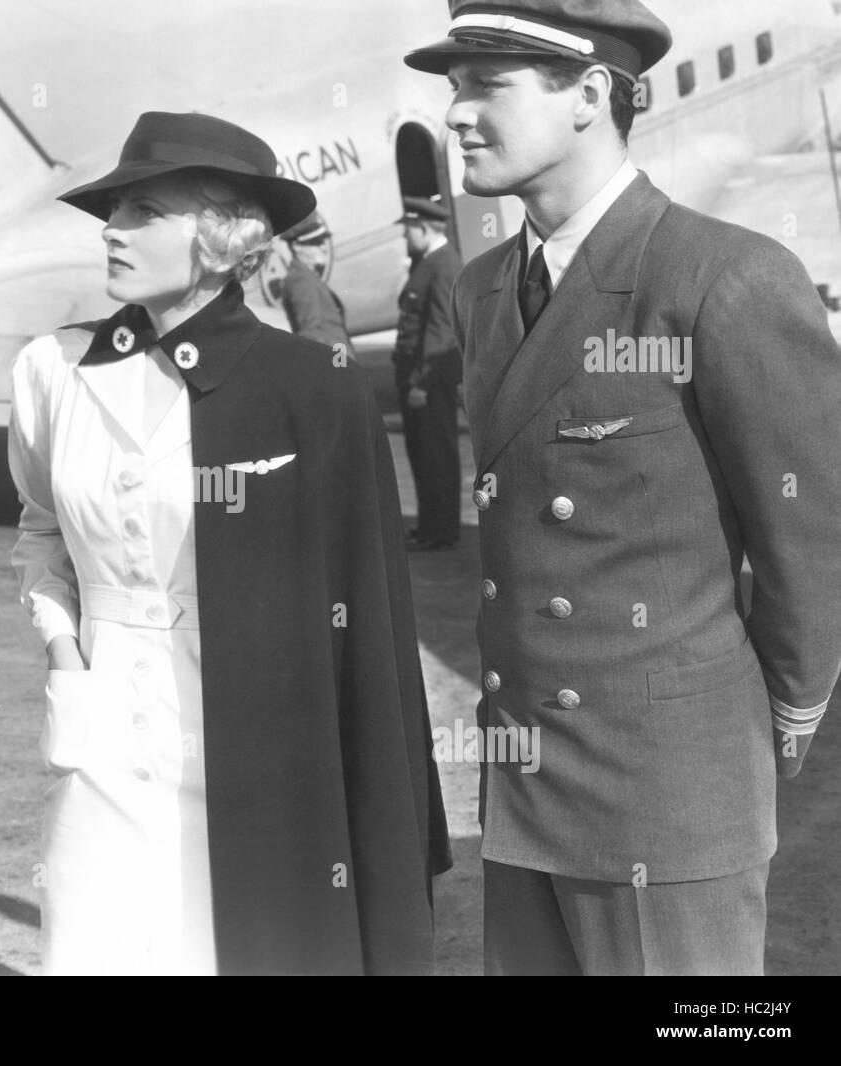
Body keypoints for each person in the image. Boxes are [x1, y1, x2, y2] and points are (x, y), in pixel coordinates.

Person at [405, 0, 841, 975]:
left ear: (588, 94)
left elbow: (809, 536)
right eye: (453, 87)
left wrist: (764, 724)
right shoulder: (479, 292)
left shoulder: (719, 278)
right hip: (526, 784)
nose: (456, 115)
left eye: (487, 84)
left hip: (667, 793)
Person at [8, 111, 451, 976]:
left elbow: (370, 619)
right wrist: (64, 649)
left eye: (144, 211)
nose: (113, 230)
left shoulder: (314, 391)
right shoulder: (53, 373)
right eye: (113, 211)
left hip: (262, 744)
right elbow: (39, 529)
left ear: (219, 239)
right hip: (102, 742)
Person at [392, 196, 463, 549]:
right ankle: (428, 525)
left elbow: (441, 330)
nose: (406, 238)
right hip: (416, 380)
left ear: (423, 228)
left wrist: (422, 383)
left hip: (429, 382)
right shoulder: (428, 262)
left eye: (408, 231)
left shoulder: (444, 265)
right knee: (422, 454)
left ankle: (440, 532)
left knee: (436, 455)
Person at [278, 212, 355, 355]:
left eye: (323, 242)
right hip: (334, 365)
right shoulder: (300, 280)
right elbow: (311, 334)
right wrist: (340, 368)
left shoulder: (307, 276)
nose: (324, 248)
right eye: (316, 243)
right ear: (296, 246)